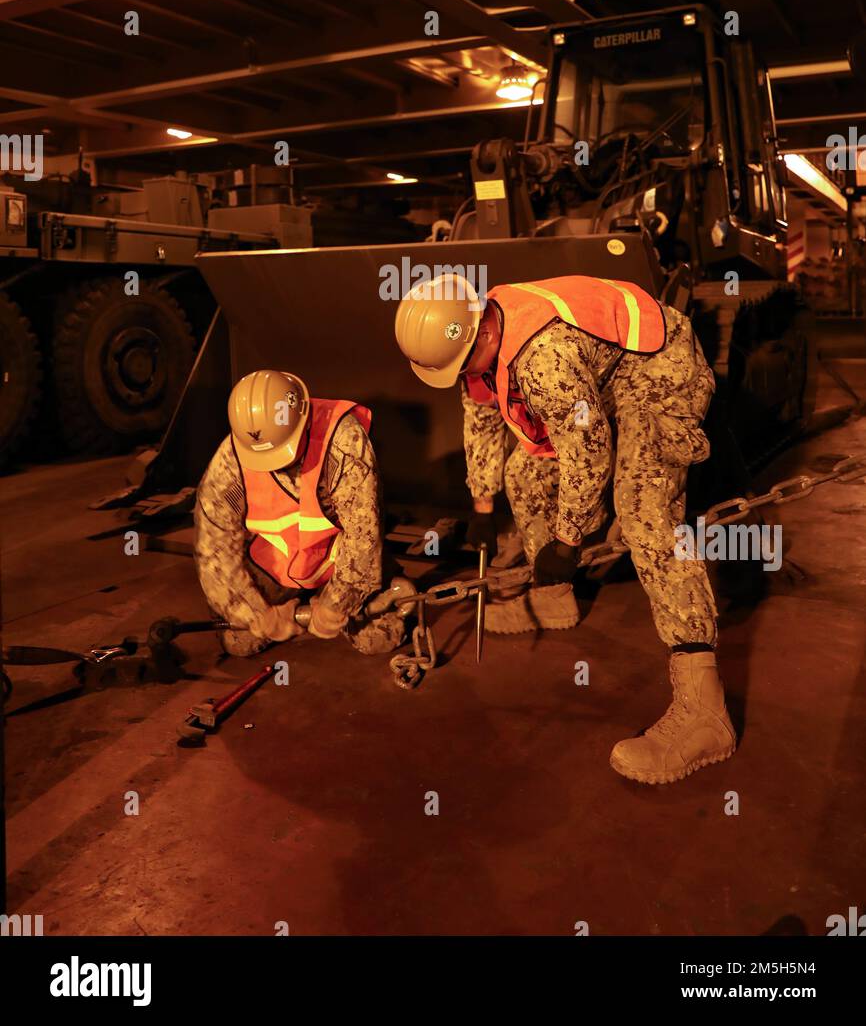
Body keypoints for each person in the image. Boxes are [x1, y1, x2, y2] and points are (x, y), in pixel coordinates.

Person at [394, 273, 736, 784]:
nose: (461, 376)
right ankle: (556, 598)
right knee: (523, 474)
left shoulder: (544, 358)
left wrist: (568, 540)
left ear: (484, 334)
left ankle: (706, 709)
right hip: (599, 377)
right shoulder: (474, 339)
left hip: (659, 372)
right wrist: (483, 505)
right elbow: (482, 414)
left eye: (462, 365)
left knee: (644, 505)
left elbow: (589, 449)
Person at [194, 369, 402, 657]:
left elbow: (362, 536)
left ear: (303, 419)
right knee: (240, 641)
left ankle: (378, 587)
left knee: (379, 637)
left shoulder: (343, 441)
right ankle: (298, 600)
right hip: (278, 565)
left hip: (334, 561)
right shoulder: (230, 459)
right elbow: (213, 550)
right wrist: (258, 613)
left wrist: (336, 603)